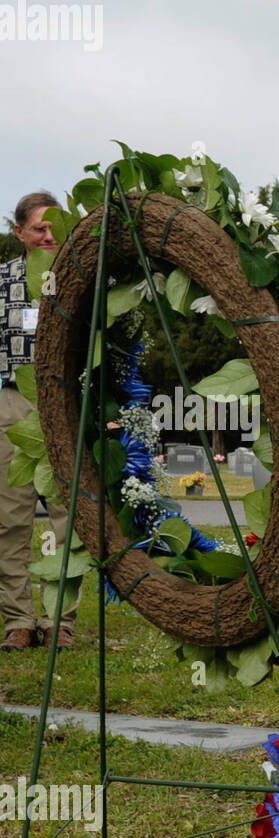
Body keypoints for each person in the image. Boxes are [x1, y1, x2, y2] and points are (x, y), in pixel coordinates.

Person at [1, 191, 79, 652]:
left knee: (66, 521)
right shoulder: (2, 281)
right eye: (38, 229)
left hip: (65, 405)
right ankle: (18, 621)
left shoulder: (81, 278)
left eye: (55, 227)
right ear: (19, 233)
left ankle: (59, 621)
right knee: (9, 520)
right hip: (12, 402)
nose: (49, 236)